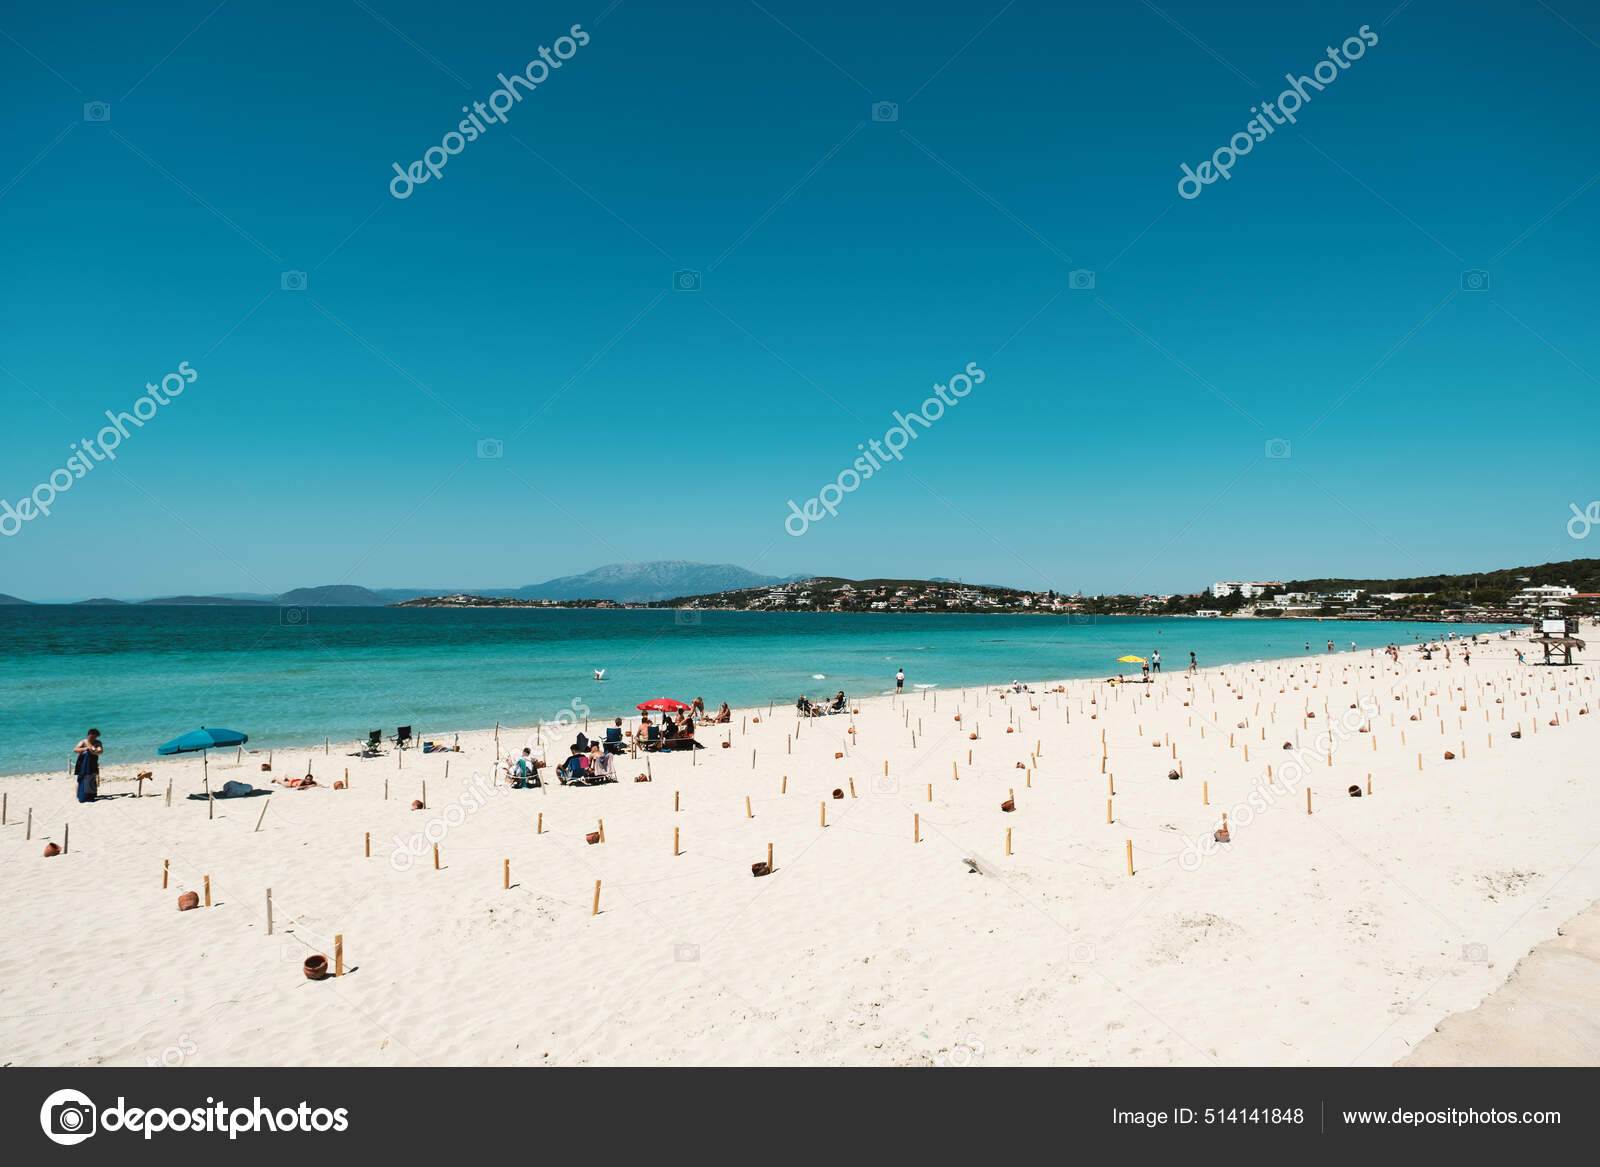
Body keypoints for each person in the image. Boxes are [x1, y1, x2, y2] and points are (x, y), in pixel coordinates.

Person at [72, 729, 102, 803]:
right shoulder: (83, 742)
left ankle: (90, 794)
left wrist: (95, 751)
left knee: (92, 777)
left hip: (93, 762)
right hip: (82, 762)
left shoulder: (98, 743)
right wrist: (86, 748)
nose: (94, 738)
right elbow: (75, 750)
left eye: (95, 737)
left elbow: (100, 751)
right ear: (89, 735)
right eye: (93, 737)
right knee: (80, 778)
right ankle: (78, 795)